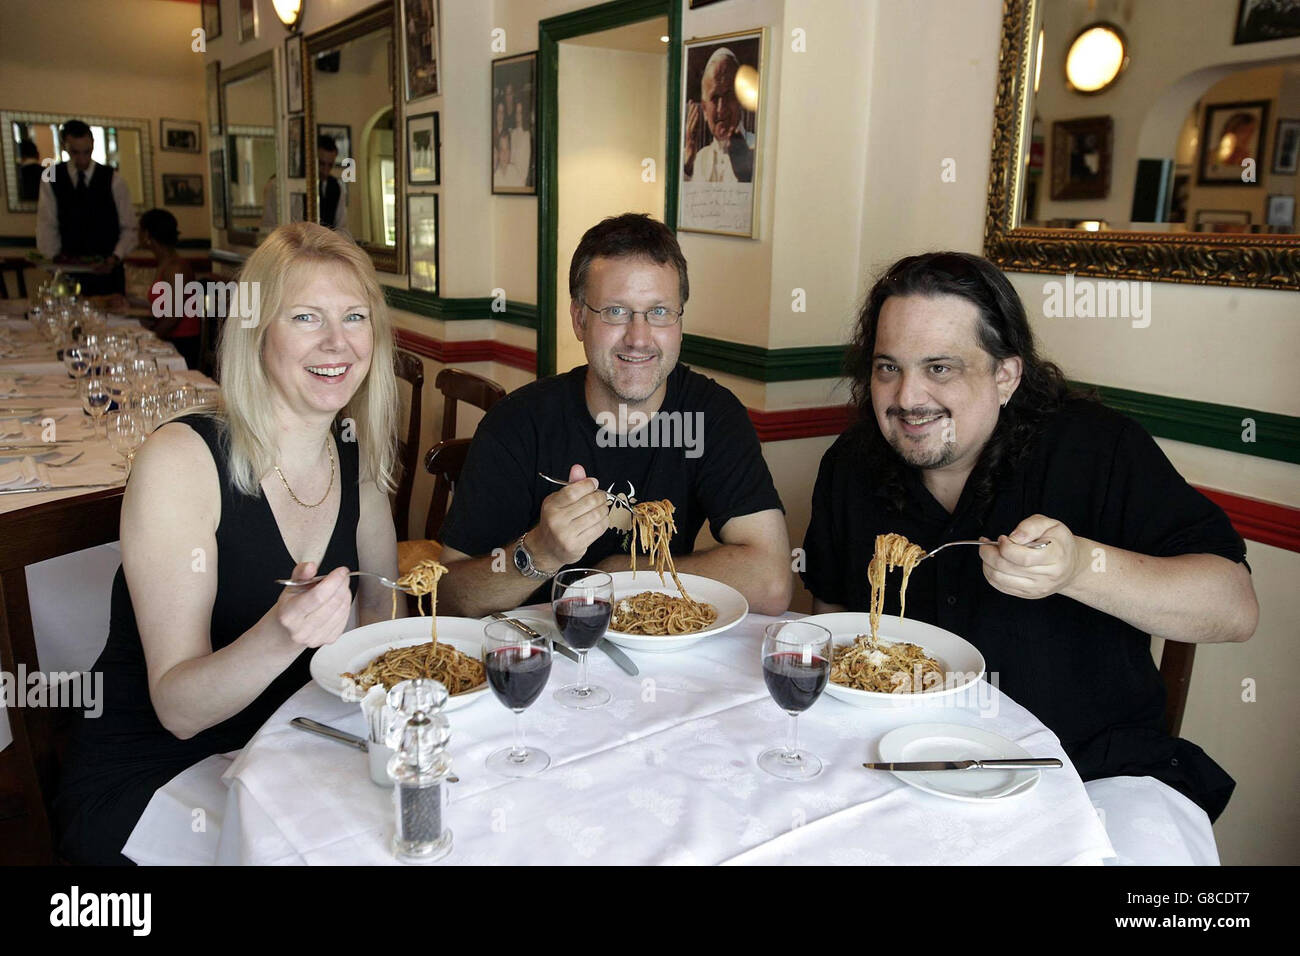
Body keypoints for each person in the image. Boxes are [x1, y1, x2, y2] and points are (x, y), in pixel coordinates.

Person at [801, 251, 1257, 824]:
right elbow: (831, 616)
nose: (907, 398)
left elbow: (1234, 607)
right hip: (897, 766)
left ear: (1006, 375)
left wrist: (1080, 568)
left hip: (1088, 777)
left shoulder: (1097, 450)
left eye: (940, 368)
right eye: (888, 367)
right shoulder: (851, 464)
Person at [54, 222, 401, 864]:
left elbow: (380, 616)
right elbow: (178, 709)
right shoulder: (182, 459)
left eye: (355, 317)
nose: (338, 342)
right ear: (255, 332)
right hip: (158, 771)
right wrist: (284, 634)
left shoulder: (355, 456)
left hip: (292, 747)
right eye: (306, 317)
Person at [437, 213, 791, 619]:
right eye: (616, 312)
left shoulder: (712, 416)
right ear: (579, 319)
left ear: (680, 321)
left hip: (666, 661)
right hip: (541, 664)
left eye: (659, 312)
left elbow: (772, 582)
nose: (639, 338)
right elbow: (449, 597)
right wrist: (541, 552)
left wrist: (614, 573)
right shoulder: (517, 423)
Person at [36, 119, 137, 295]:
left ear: (93, 145)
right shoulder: (51, 177)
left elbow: (129, 227)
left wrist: (115, 258)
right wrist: (54, 264)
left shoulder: (114, 179)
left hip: (107, 274)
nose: (82, 159)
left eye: (87, 152)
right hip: (68, 273)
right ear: (64, 146)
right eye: (75, 152)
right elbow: (47, 225)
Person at [100, 209, 202, 369]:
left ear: (147, 235)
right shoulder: (166, 263)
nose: (136, 235)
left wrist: (147, 339)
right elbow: (160, 305)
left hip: (180, 344)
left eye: (138, 230)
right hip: (168, 337)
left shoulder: (176, 267)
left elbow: (173, 316)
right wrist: (128, 301)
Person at [684, 47, 755, 184]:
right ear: (704, 109)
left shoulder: (757, 149)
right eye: (715, 98)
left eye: (729, 96)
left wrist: (746, 174)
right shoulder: (698, 160)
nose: (721, 109)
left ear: (740, 101)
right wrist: (687, 166)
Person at [316, 134, 349, 234]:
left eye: (330, 165)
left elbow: (341, 225)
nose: (325, 170)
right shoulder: (299, 186)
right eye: (321, 164)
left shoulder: (337, 187)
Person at [510, 100, 532, 186]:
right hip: (511, 177)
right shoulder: (513, 133)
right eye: (516, 112)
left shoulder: (526, 135)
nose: (518, 115)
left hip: (521, 180)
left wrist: (522, 181)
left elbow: (525, 164)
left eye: (520, 112)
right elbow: (511, 159)